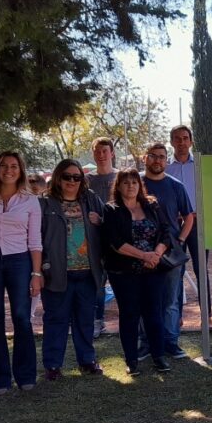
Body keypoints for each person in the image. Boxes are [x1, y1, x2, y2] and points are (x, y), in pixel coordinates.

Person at [0, 151, 42, 393]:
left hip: (19, 262)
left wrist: (36, 274)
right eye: (4, 165)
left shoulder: (30, 201)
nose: (8, 170)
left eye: (14, 166)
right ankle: (0, 379)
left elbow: (35, 240)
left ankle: (25, 375)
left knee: (22, 318)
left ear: (21, 170)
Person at [101, 169, 174, 374]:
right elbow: (116, 243)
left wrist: (156, 255)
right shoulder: (112, 209)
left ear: (139, 185)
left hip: (154, 269)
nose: (130, 186)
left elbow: (166, 232)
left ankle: (158, 357)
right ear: (118, 186)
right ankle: (131, 361)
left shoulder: (151, 204)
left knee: (154, 313)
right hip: (124, 272)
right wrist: (144, 256)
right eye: (125, 183)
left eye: (134, 182)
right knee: (130, 314)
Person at [39, 159, 106, 381]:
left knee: (85, 319)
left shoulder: (91, 200)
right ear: (58, 177)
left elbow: (109, 224)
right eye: (67, 176)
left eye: (76, 177)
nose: (72, 181)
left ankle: (87, 360)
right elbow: (35, 238)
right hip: (57, 273)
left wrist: (101, 221)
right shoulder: (45, 204)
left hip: (88, 272)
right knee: (55, 319)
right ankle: (53, 365)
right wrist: (40, 268)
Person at [142, 142, 194, 357]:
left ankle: (170, 342)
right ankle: (145, 343)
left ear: (166, 160)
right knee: (144, 299)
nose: (157, 160)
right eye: (153, 156)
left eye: (162, 157)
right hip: (142, 251)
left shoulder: (175, 186)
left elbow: (188, 216)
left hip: (170, 252)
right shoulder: (135, 183)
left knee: (171, 299)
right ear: (145, 158)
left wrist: (180, 240)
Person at [168, 124, 212, 330]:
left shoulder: (201, 166)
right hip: (173, 225)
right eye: (177, 138)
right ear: (172, 142)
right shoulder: (166, 168)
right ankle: (176, 318)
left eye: (185, 138)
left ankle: (207, 317)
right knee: (175, 271)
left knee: (201, 270)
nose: (181, 142)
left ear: (191, 141)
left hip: (197, 223)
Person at [87, 137, 117, 339]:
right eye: (97, 151)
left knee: (124, 281)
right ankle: (98, 321)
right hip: (94, 241)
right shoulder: (86, 180)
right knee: (97, 282)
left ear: (112, 153)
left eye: (104, 151)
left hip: (119, 239)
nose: (101, 155)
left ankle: (134, 322)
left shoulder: (122, 177)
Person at [26, 173, 47, 325]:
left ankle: (31, 314)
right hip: (23, 249)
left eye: (38, 191)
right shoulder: (23, 203)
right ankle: (27, 315)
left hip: (42, 249)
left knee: (39, 283)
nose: (35, 194)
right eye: (32, 189)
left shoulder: (46, 204)